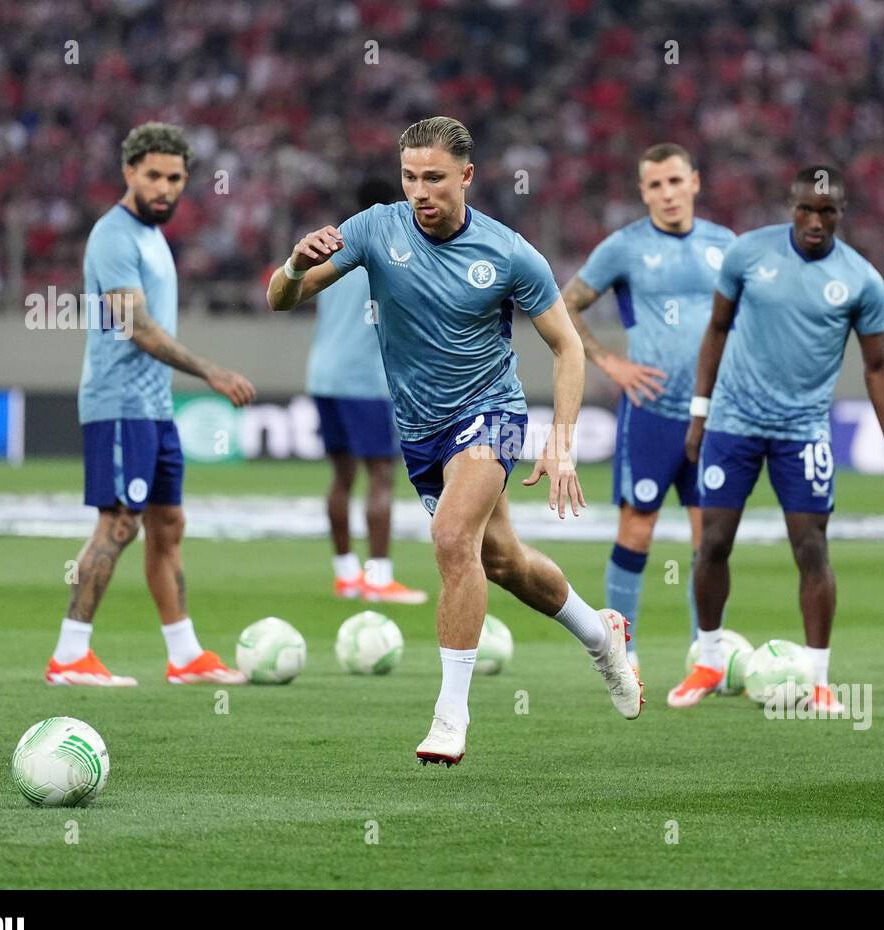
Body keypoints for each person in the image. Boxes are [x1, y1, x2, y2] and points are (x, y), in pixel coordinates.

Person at [267, 116, 643, 765]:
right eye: (410, 177)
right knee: (505, 563)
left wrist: (561, 439)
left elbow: (566, 346)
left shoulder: (509, 253)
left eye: (434, 178)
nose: (420, 191)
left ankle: (449, 716)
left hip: (491, 412)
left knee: (450, 538)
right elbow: (280, 300)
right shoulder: (375, 230)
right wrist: (294, 265)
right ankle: (600, 634)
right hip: (420, 430)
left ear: (466, 176)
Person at [673, 166, 884, 712]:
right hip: (733, 421)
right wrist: (699, 413)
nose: (815, 220)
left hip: (803, 432)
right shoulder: (747, 256)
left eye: (827, 211)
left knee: (811, 548)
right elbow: (716, 330)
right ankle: (708, 660)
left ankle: (820, 679)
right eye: (806, 208)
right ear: (792, 206)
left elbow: (877, 369)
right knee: (713, 543)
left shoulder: (861, 280)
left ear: (841, 214)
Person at [47, 122, 255, 687]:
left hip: (153, 407)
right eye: (154, 175)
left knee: (169, 523)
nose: (165, 188)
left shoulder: (152, 235)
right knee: (119, 523)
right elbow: (136, 327)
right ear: (129, 173)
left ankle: (185, 656)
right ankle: (69, 656)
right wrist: (209, 370)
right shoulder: (113, 236)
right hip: (119, 404)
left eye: (175, 178)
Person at [560, 144, 734, 669]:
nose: (667, 194)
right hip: (652, 410)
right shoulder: (624, 247)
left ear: (695, 182)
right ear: (643, 192)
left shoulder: (727, 246)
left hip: (713, 412)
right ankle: (621, 649)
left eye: (675, 182)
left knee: (712, 539)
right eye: (655, 185)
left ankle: (708, 656)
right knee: (638, 527)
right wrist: (610, 363)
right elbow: (563, 303)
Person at [306, 177, 426, 604]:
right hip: (366, 380)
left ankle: (345, 574)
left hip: (323, 374)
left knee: (342, 476)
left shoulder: (331, 246)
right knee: (381, 476)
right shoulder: (387, 248)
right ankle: (378, 579)